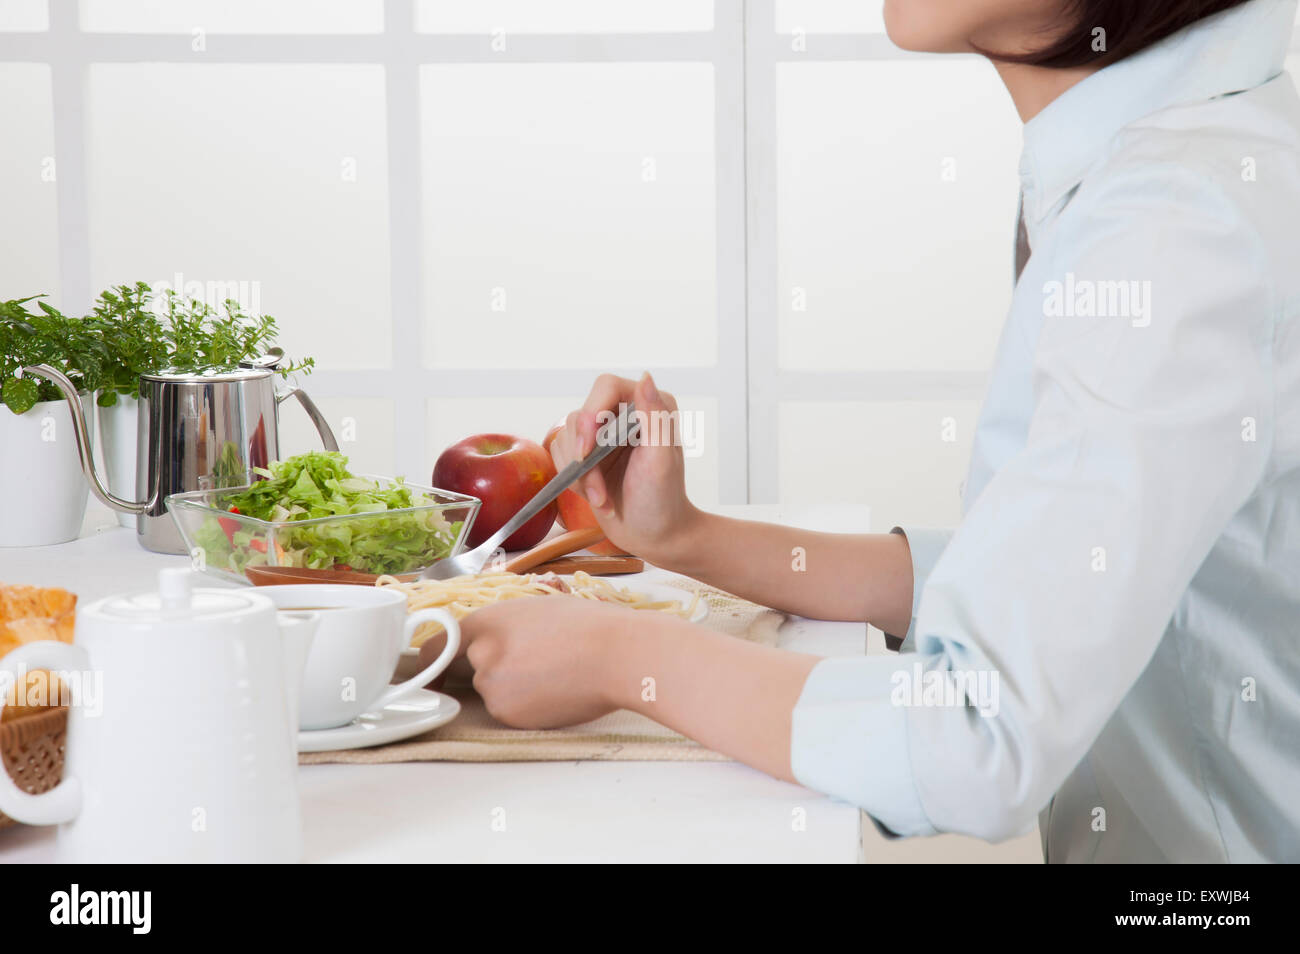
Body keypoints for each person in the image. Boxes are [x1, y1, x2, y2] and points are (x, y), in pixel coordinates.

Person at [456, 0, 1300, 862]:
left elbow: (981, 737)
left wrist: (621, 659)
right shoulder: (1183, 159)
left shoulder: (1173, 227)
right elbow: (1047, 589)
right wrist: (690, 539)